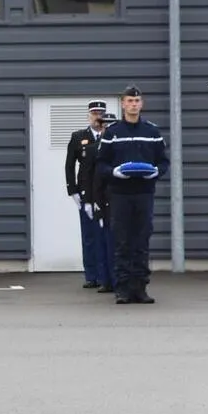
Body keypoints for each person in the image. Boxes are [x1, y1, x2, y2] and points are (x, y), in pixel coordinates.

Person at [95, 85, 169, 304]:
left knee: (141, 241)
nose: (133, 105)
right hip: (120, 195)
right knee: (122, 242)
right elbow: (101, 164)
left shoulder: (152, 132)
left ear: (141, 104)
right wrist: (114, 172)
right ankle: (123, 289)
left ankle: (140, 288)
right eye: (129, 101)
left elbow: (163, 161)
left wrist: (156, 173)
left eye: (137, 101)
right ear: (123, 104)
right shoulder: (112, 132)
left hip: (144, 193)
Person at [65, 100, 108, 289]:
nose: (97, 117)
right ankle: (91, 275)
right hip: (86, 191)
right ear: (88, 115)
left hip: (106, 192)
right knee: (89, 235)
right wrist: (72, 189)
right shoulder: (79, 137)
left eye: (100, 113)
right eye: (94, 113)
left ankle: (104, 274)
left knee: (104, 235)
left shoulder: (110, 136)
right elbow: (69, 165)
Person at [87, 111, 119, 294]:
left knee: (120, 243)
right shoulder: (95, 148)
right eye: (104, 125)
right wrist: (93, 202)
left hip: (120, 198)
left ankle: (119, 279)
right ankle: (106, 280)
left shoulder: (121, 146)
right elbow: (93, 178)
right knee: (104, 243)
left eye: (111, 124)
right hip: (104, 201)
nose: (107, 128)